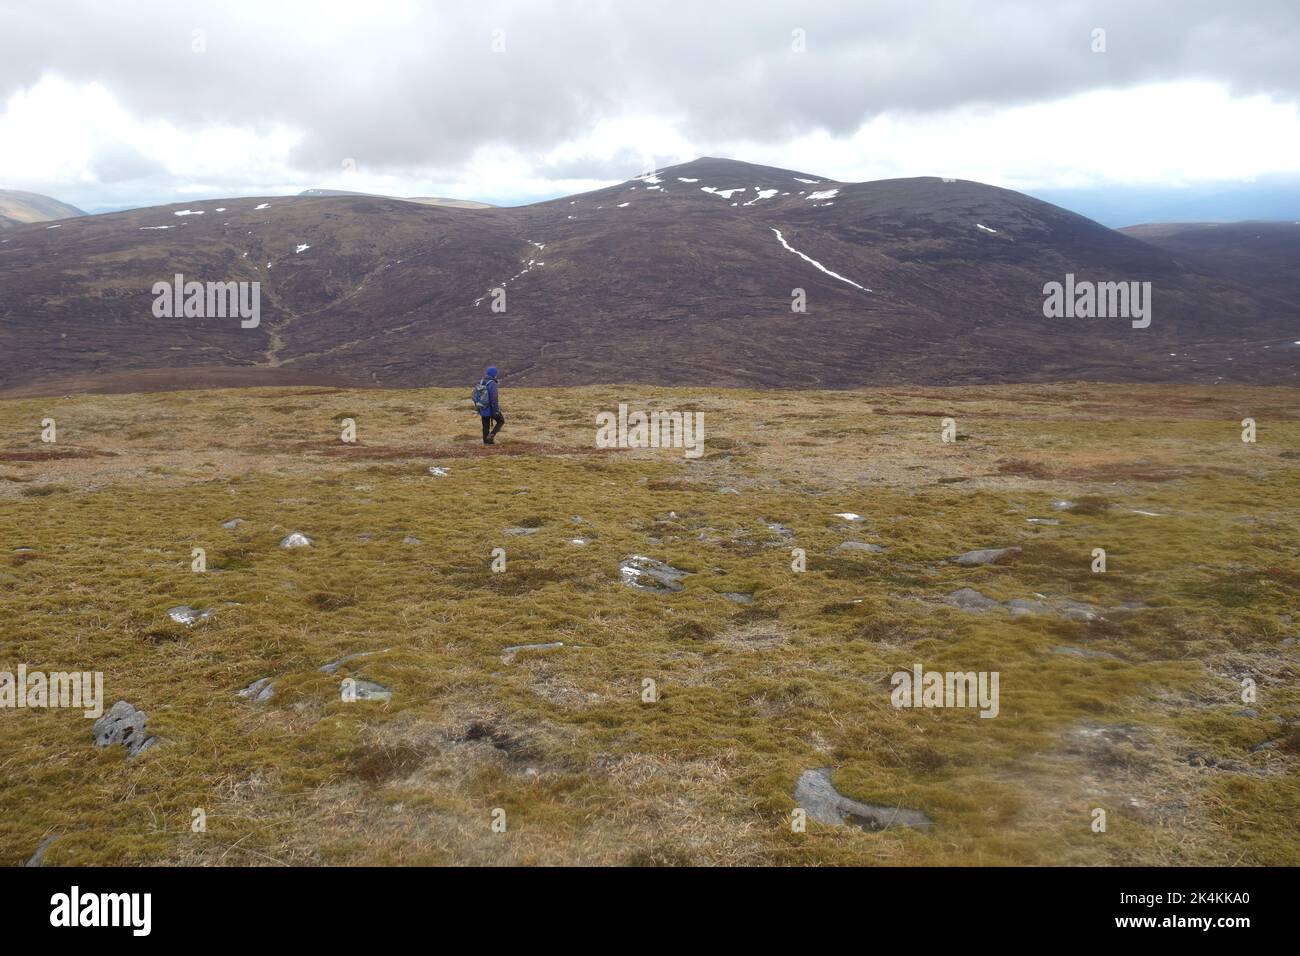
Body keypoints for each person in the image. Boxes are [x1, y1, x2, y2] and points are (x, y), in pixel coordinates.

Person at [478, 366, 504, 444]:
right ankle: (492, 435)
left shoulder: (482, 381)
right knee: (501, 421)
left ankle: (486, 442)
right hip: (491, 408)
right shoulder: (492, 383)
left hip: (483, 408)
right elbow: (494, 398)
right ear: (494, 374)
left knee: (485, 426)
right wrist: (495, 410)